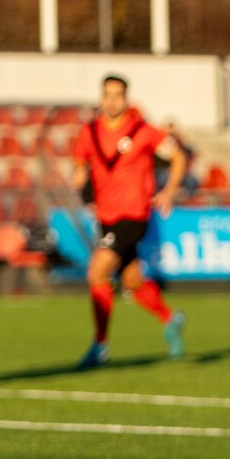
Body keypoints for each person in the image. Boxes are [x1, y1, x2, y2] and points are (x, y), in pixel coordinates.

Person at [71, 75, 188, 368]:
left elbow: (178, 157)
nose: (112, 101)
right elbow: (80, 163)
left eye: (117, 95)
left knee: (97, 273)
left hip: (133, 216)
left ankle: (100, 345)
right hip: (106, 217)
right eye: (107, 95)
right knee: (132, 281)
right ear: (101, 98)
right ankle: (170, 318)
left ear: (126, 99)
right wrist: (79, 176)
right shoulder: (88, 132)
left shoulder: (143, 131)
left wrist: (169, 191)